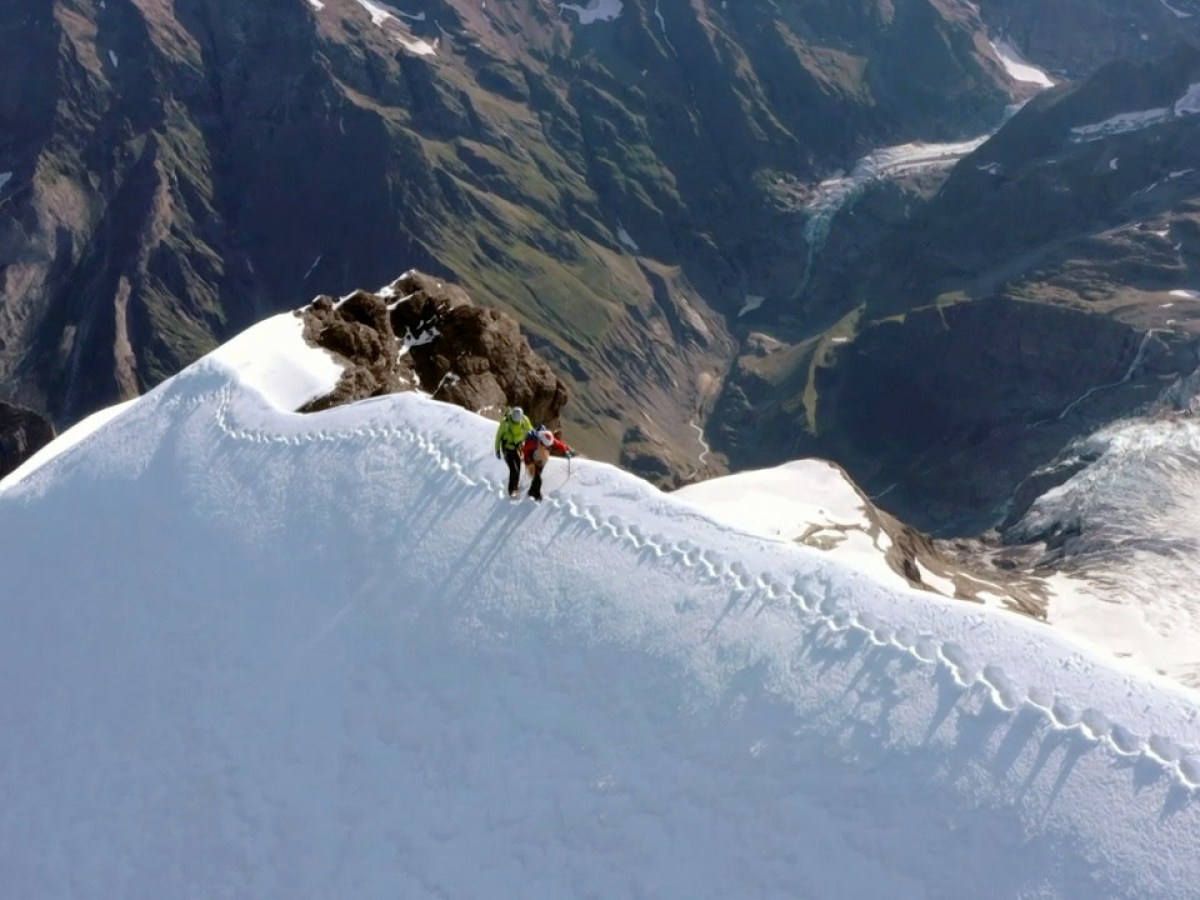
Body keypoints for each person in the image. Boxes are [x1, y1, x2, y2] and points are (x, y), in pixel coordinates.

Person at [518, 424, 575, 501]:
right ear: (541, 441)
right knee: (538, 479)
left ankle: (532, 491)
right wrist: (528, 461)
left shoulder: (549, 439)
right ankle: (536, 495)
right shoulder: (533, 442)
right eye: (545, 445)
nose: (547, 446)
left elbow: (559, 444)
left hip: (539, 457)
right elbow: (525, 450)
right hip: (530, 459)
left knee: (537, 477)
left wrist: (566, 450)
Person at [495, 406, 534, 497]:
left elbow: (530, 430)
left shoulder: (524, 420)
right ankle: (511, 491)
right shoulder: (505, 423)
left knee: (518, 468)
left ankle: (515, 487)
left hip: (517, 447)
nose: (517, 422)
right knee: (514, 470)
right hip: (507, 448)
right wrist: (497, 450)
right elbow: (498, 437)